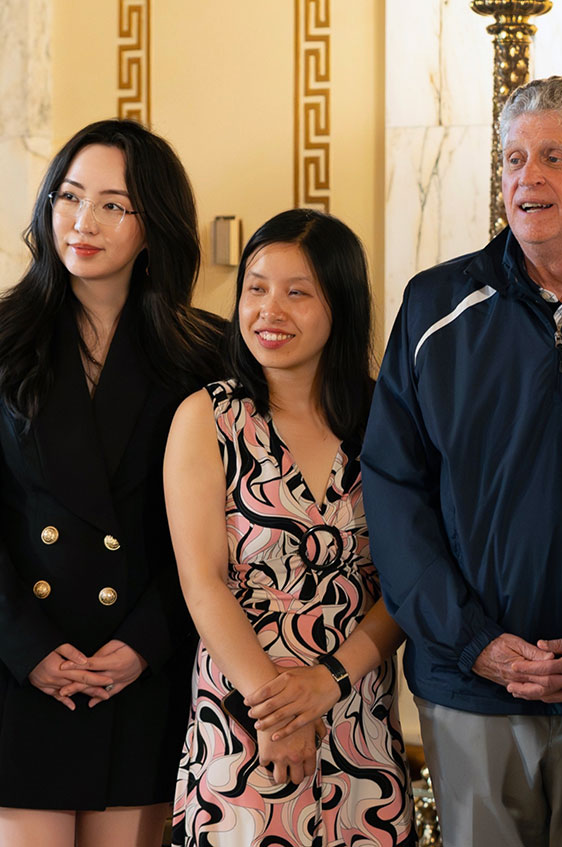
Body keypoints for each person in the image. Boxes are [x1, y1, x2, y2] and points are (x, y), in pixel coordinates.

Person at [361, 75, 562, 847]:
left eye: (552, 156)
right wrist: (477, 644)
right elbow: (396, 496)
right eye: (511, 159)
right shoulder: (437, 307)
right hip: (471, 689)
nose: (526, 176)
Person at [0, 120, 222, 845]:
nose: (82, 221)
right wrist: (25, 643)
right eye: (69, 196)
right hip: (20, 669)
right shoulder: (2, 340)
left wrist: (145, 641)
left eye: (112, 205)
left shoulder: (207, 355)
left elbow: (222, 525)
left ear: (153, 224)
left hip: (144, 670)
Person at [167, 209, 414, 846]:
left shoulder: (387, 419)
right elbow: (203, 584)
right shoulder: (208, 417)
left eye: (297, 292)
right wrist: (276, 711)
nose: (269, 310)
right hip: (243, 716)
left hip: (356, 712)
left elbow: (410, 580)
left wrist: (328, 682)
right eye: (256, 288)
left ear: (342, 304)